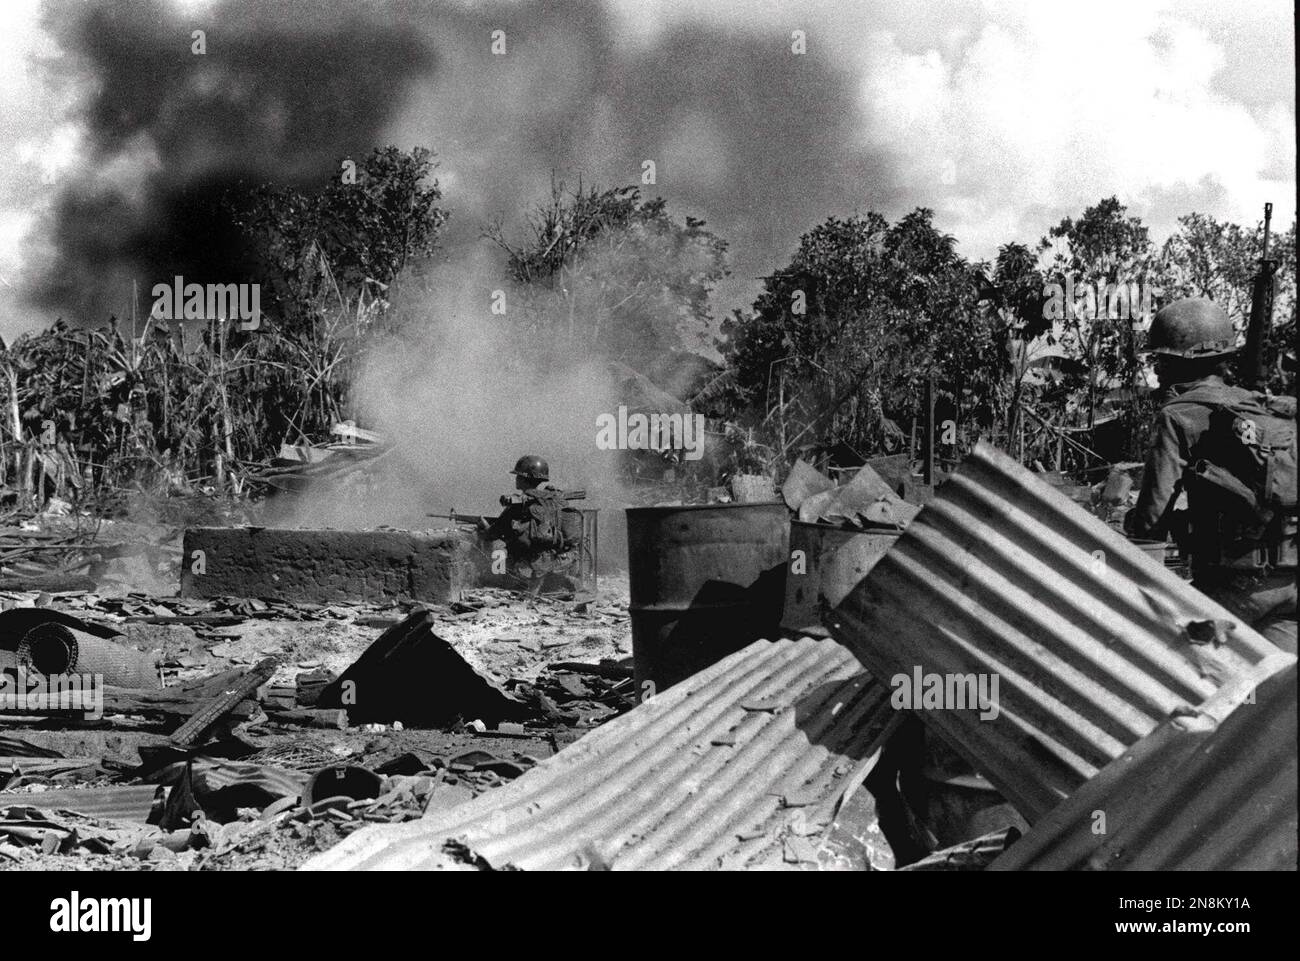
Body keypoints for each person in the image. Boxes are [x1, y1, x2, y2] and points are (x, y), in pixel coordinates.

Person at [1126, 298, 1297, 652]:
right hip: (1292, 579)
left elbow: (1151, 518)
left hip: (1233, 586)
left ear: (1178, 363)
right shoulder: (1267, 408)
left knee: (1170, 667)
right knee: (1277, 698)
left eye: (1162, 360)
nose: (1157, 371)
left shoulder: (1178, 414)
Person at [480, 455, 580, 593]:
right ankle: (553, 582)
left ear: (523, 479)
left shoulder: (520, 505)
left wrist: (484, 526)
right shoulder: (554, 500)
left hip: (531, 568)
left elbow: (492, 533)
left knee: (498, 545)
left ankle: (504, 582)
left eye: (518, 476)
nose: (516, 479)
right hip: (562, 561)